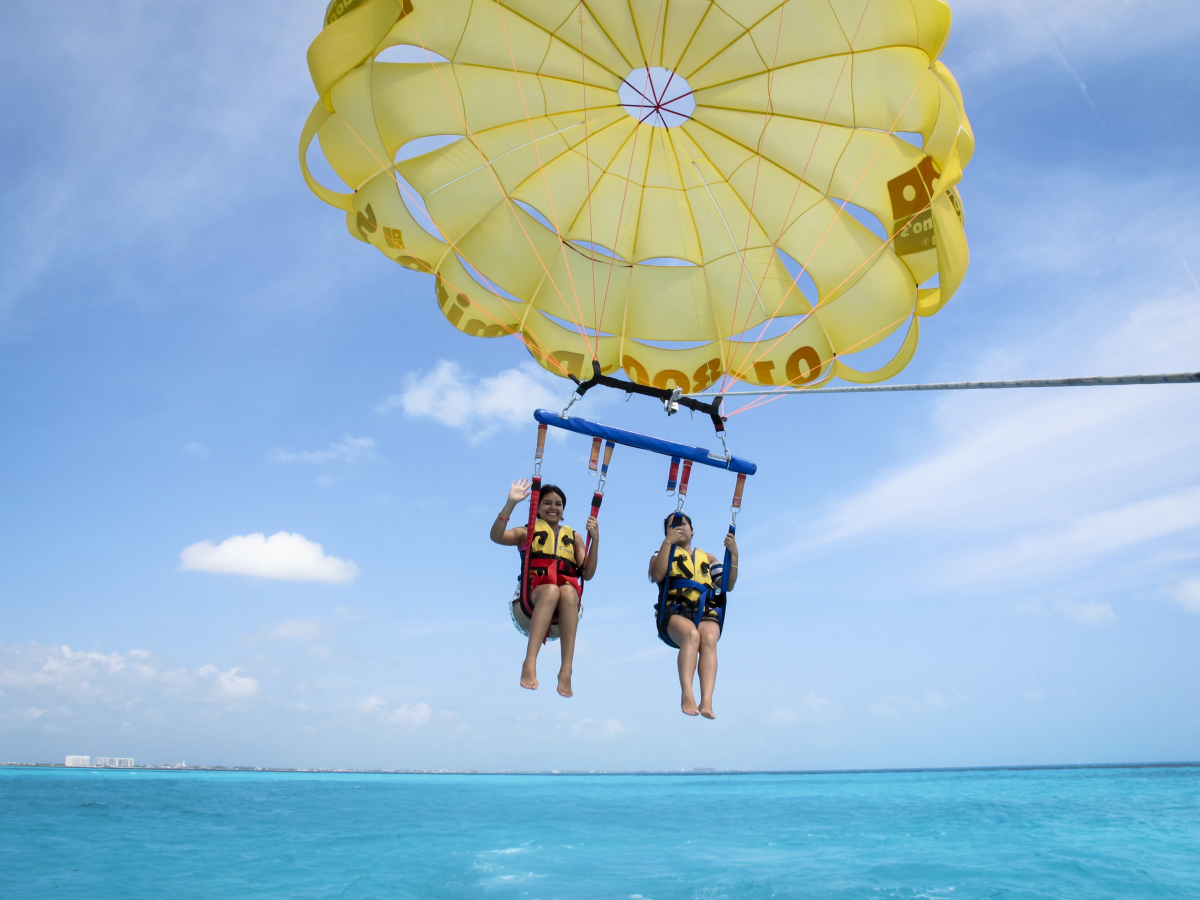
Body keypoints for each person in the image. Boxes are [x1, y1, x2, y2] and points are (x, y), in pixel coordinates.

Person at [491, 479, 598, 697]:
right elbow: (497, 536)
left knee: (568, 590)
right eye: (547, 503)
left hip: (564, 613)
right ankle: (529, 663)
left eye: (558, 504)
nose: (553, 507)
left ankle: (566, 670)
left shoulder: (574, 537)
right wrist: (510, 503)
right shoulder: (527, 532)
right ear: (537, 508)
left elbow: (587, 573)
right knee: (551, 589)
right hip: (528, 607)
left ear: (563, 509)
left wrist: (595, 540)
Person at [649, 513, 738, 719]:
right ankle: (687, 693)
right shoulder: (662, 552)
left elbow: (727, 585)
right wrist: (667, 543)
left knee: (707, 638)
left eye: (683, 524)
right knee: (691, 635)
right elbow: (657, 575)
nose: (679, 527)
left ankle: (706, 699)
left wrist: (734, 556)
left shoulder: (707, 558)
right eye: (673, 526)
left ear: (692, 530)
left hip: (705, 611)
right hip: (675, 612)